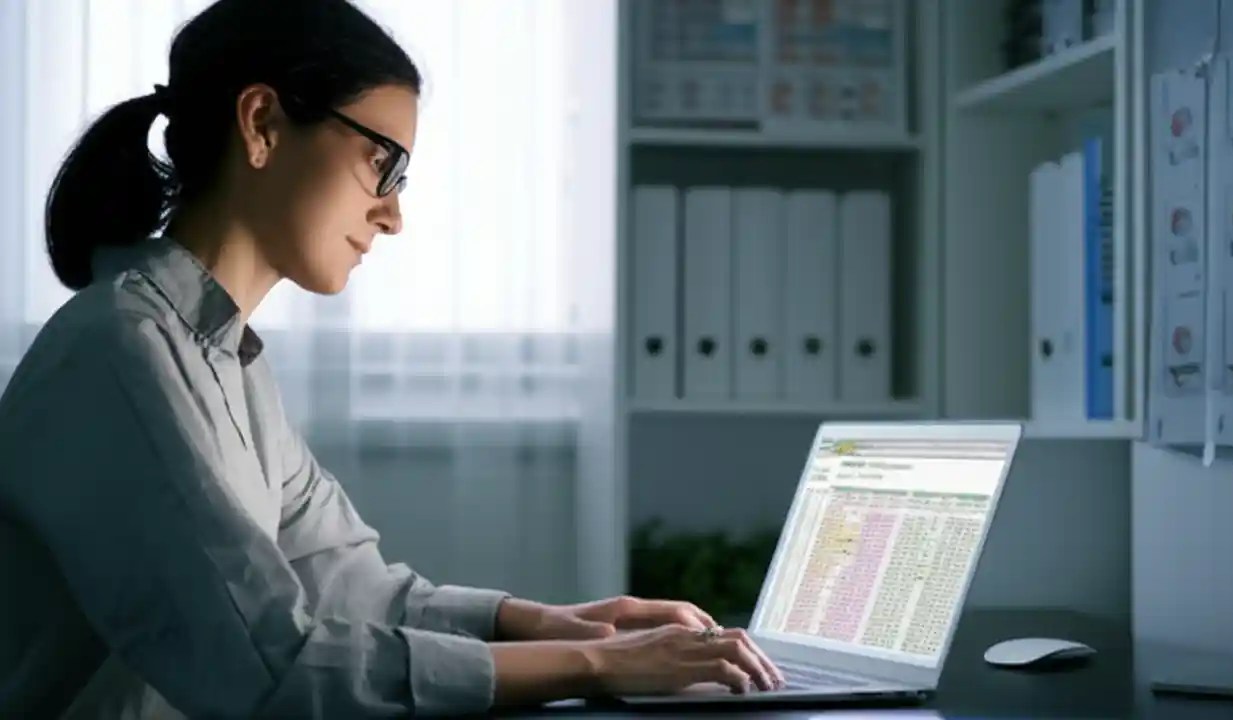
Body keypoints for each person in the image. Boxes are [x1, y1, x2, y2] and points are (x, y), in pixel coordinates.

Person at [0, 0, 784, 717]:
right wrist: (591, 664)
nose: (394, 214)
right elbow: (277, 670)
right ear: (263, 123)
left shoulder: (223, 358)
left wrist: (550, 622)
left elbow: (349, 587)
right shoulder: (123, 354)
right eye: (384, 163)